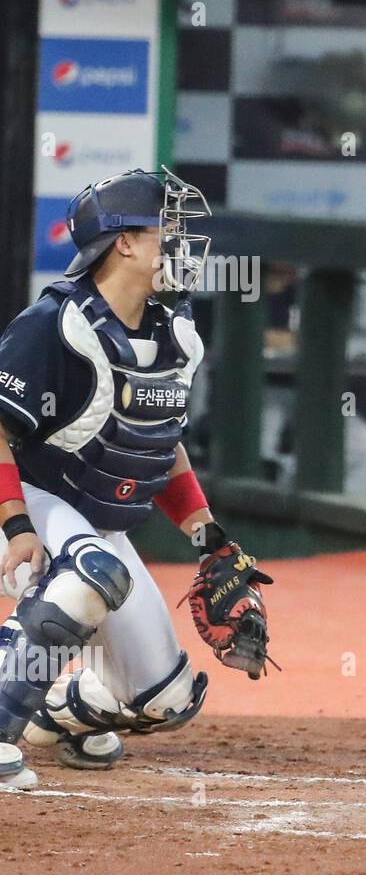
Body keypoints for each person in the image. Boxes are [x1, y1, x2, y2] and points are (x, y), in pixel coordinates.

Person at [0, 169, 274, 788]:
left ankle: (53, 711)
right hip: (25, 502)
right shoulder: (55, 324)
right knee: (89, 575)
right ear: (123, 243)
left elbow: (157, 444)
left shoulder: (173, 333)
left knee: (164, 699)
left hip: (92, 525)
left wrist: (210, 538)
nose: (179, 244)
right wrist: (16, 524)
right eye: (166, 229)